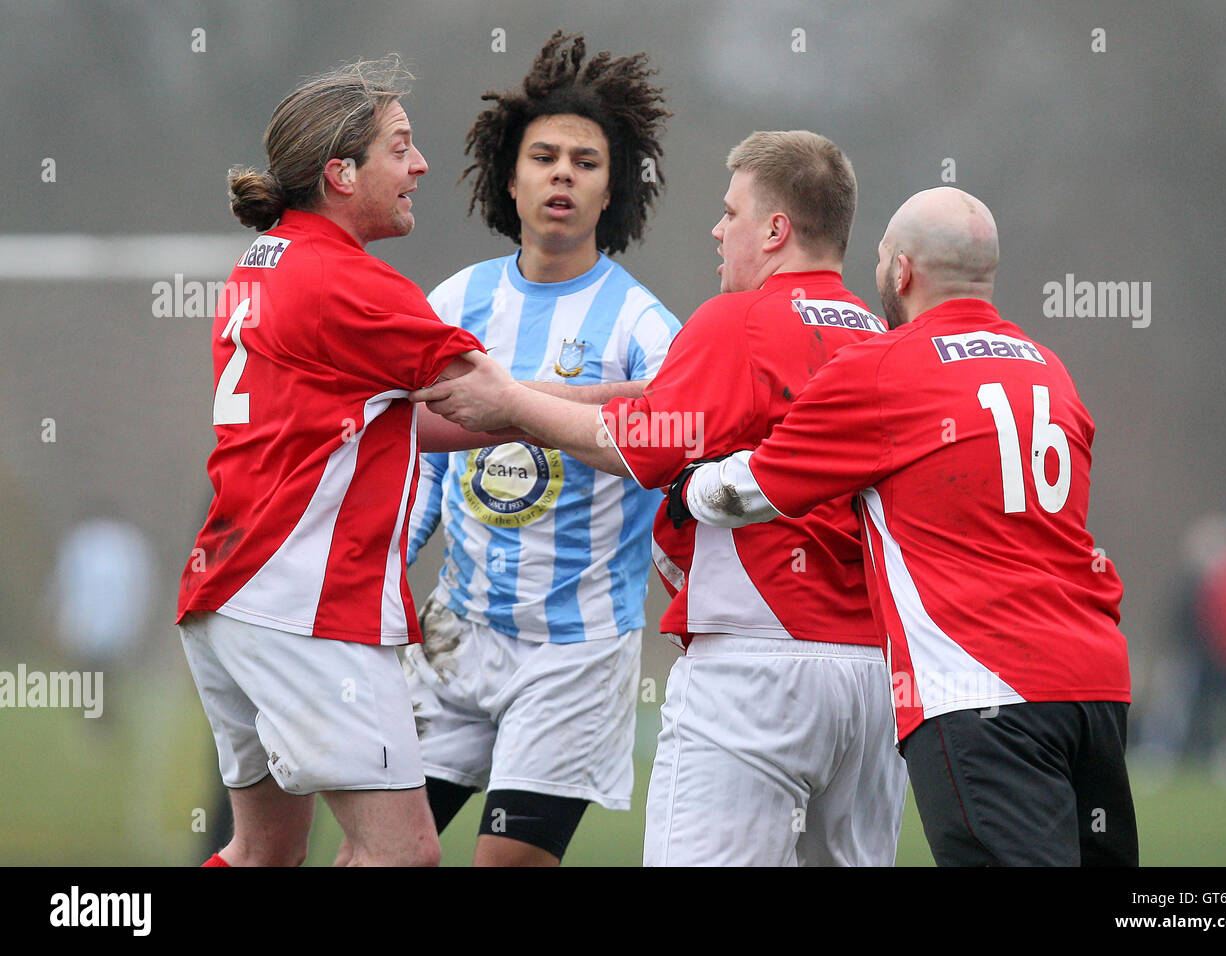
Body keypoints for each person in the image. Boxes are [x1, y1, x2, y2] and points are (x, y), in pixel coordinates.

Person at [420, 130, 908, 866]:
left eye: (731, 212)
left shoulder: (737, 320)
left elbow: (635, 442)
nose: (718, 229)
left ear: (776, 229)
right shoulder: (884, 339)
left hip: (757, 664)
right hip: (876, 681)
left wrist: (512, 405)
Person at [679, 187, 1139, 866]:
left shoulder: (884, 366)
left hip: (983, 692)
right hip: (1096, 687)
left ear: (901, 273)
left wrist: (687, 481)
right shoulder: (1052, 371)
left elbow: (749, 492)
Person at [175, 58, 485, 867]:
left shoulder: (266, 260)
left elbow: (401, 424)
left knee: (261, 853)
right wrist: (649, 407)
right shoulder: (348, 281)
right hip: (305, 611)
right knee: (402, 853)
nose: (419, 167)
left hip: (229, 596)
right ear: (340, 173)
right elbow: (489, 394)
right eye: (401, 148)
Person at [394, 32, 679, 867]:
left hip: (576, 653)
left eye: (585, 162)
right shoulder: (456, 303)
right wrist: (379, 573)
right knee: (379, 854)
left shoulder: (643, 326)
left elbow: (670, 437)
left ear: (611, 189)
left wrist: (518, 404)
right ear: (508, 178)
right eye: (544, 157)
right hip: (456, 636)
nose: (562, 174)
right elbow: (421, 460)